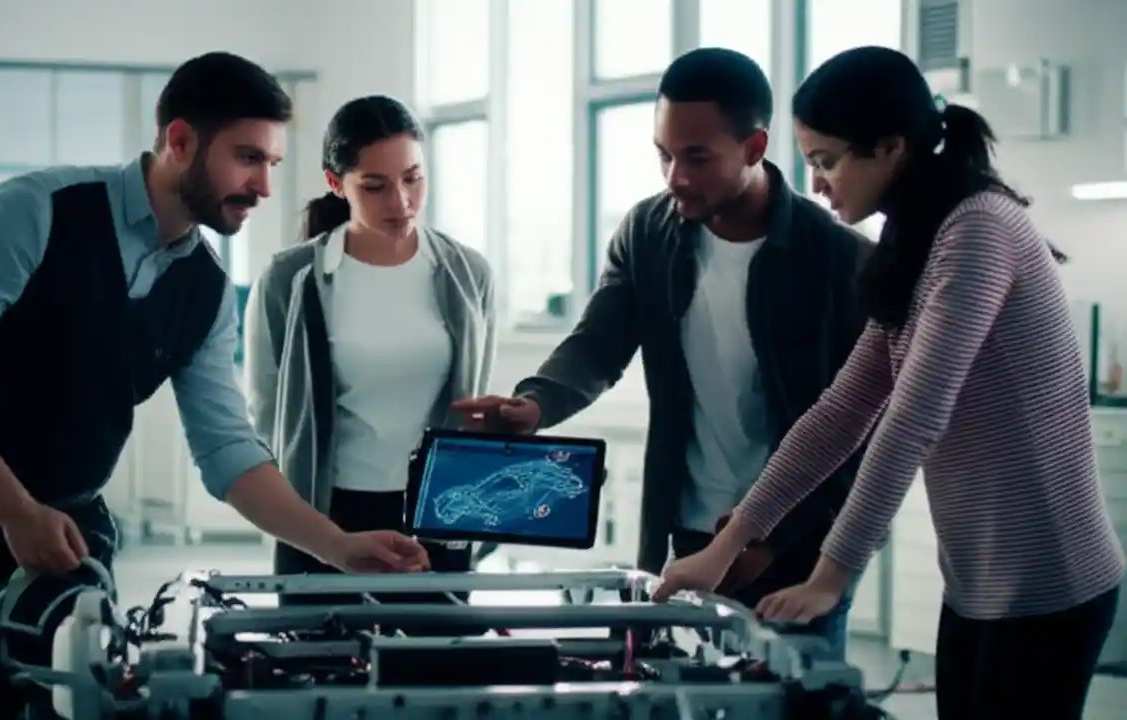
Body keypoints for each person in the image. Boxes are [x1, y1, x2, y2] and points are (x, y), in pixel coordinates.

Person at [0, 52, 429, 720]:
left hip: (75, 526)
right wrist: (13, 508)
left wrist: (336, 545)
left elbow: (228, 450)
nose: (264, 186)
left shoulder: (205, 286)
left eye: (273, 164)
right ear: (179, 142)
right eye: (247, 158)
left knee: (82, 707)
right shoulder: (36, 211)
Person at [651, 46, 1125, 720]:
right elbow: (843, 411)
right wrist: (724, 550)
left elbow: (912, 418)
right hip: (977, 583)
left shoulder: (979, 231)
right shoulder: (920, 239)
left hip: (1050, 584)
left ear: (890, 148)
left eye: (826, 160)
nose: (814, 182)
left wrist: (830, 577)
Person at [451, 48, 871, 657]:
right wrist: (534, 406)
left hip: (798, 544)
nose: (674, 175)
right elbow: (599, 343)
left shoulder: (837, 258)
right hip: (684, 533)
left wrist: (770, 543)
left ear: (755, 148)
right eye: (663, 154)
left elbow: (855, 433)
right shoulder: (648, 232)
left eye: (696, 157)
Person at [243, 95, 496, 607]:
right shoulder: (289, 279)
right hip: (322, 514)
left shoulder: (469, 273)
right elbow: (267, 416)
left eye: (413, 178)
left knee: (432, 673)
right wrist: (307, 525)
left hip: (437, 510)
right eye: (375, 186)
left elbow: (471, 401)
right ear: (336, 184)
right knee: (321, 671)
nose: (401, 202)